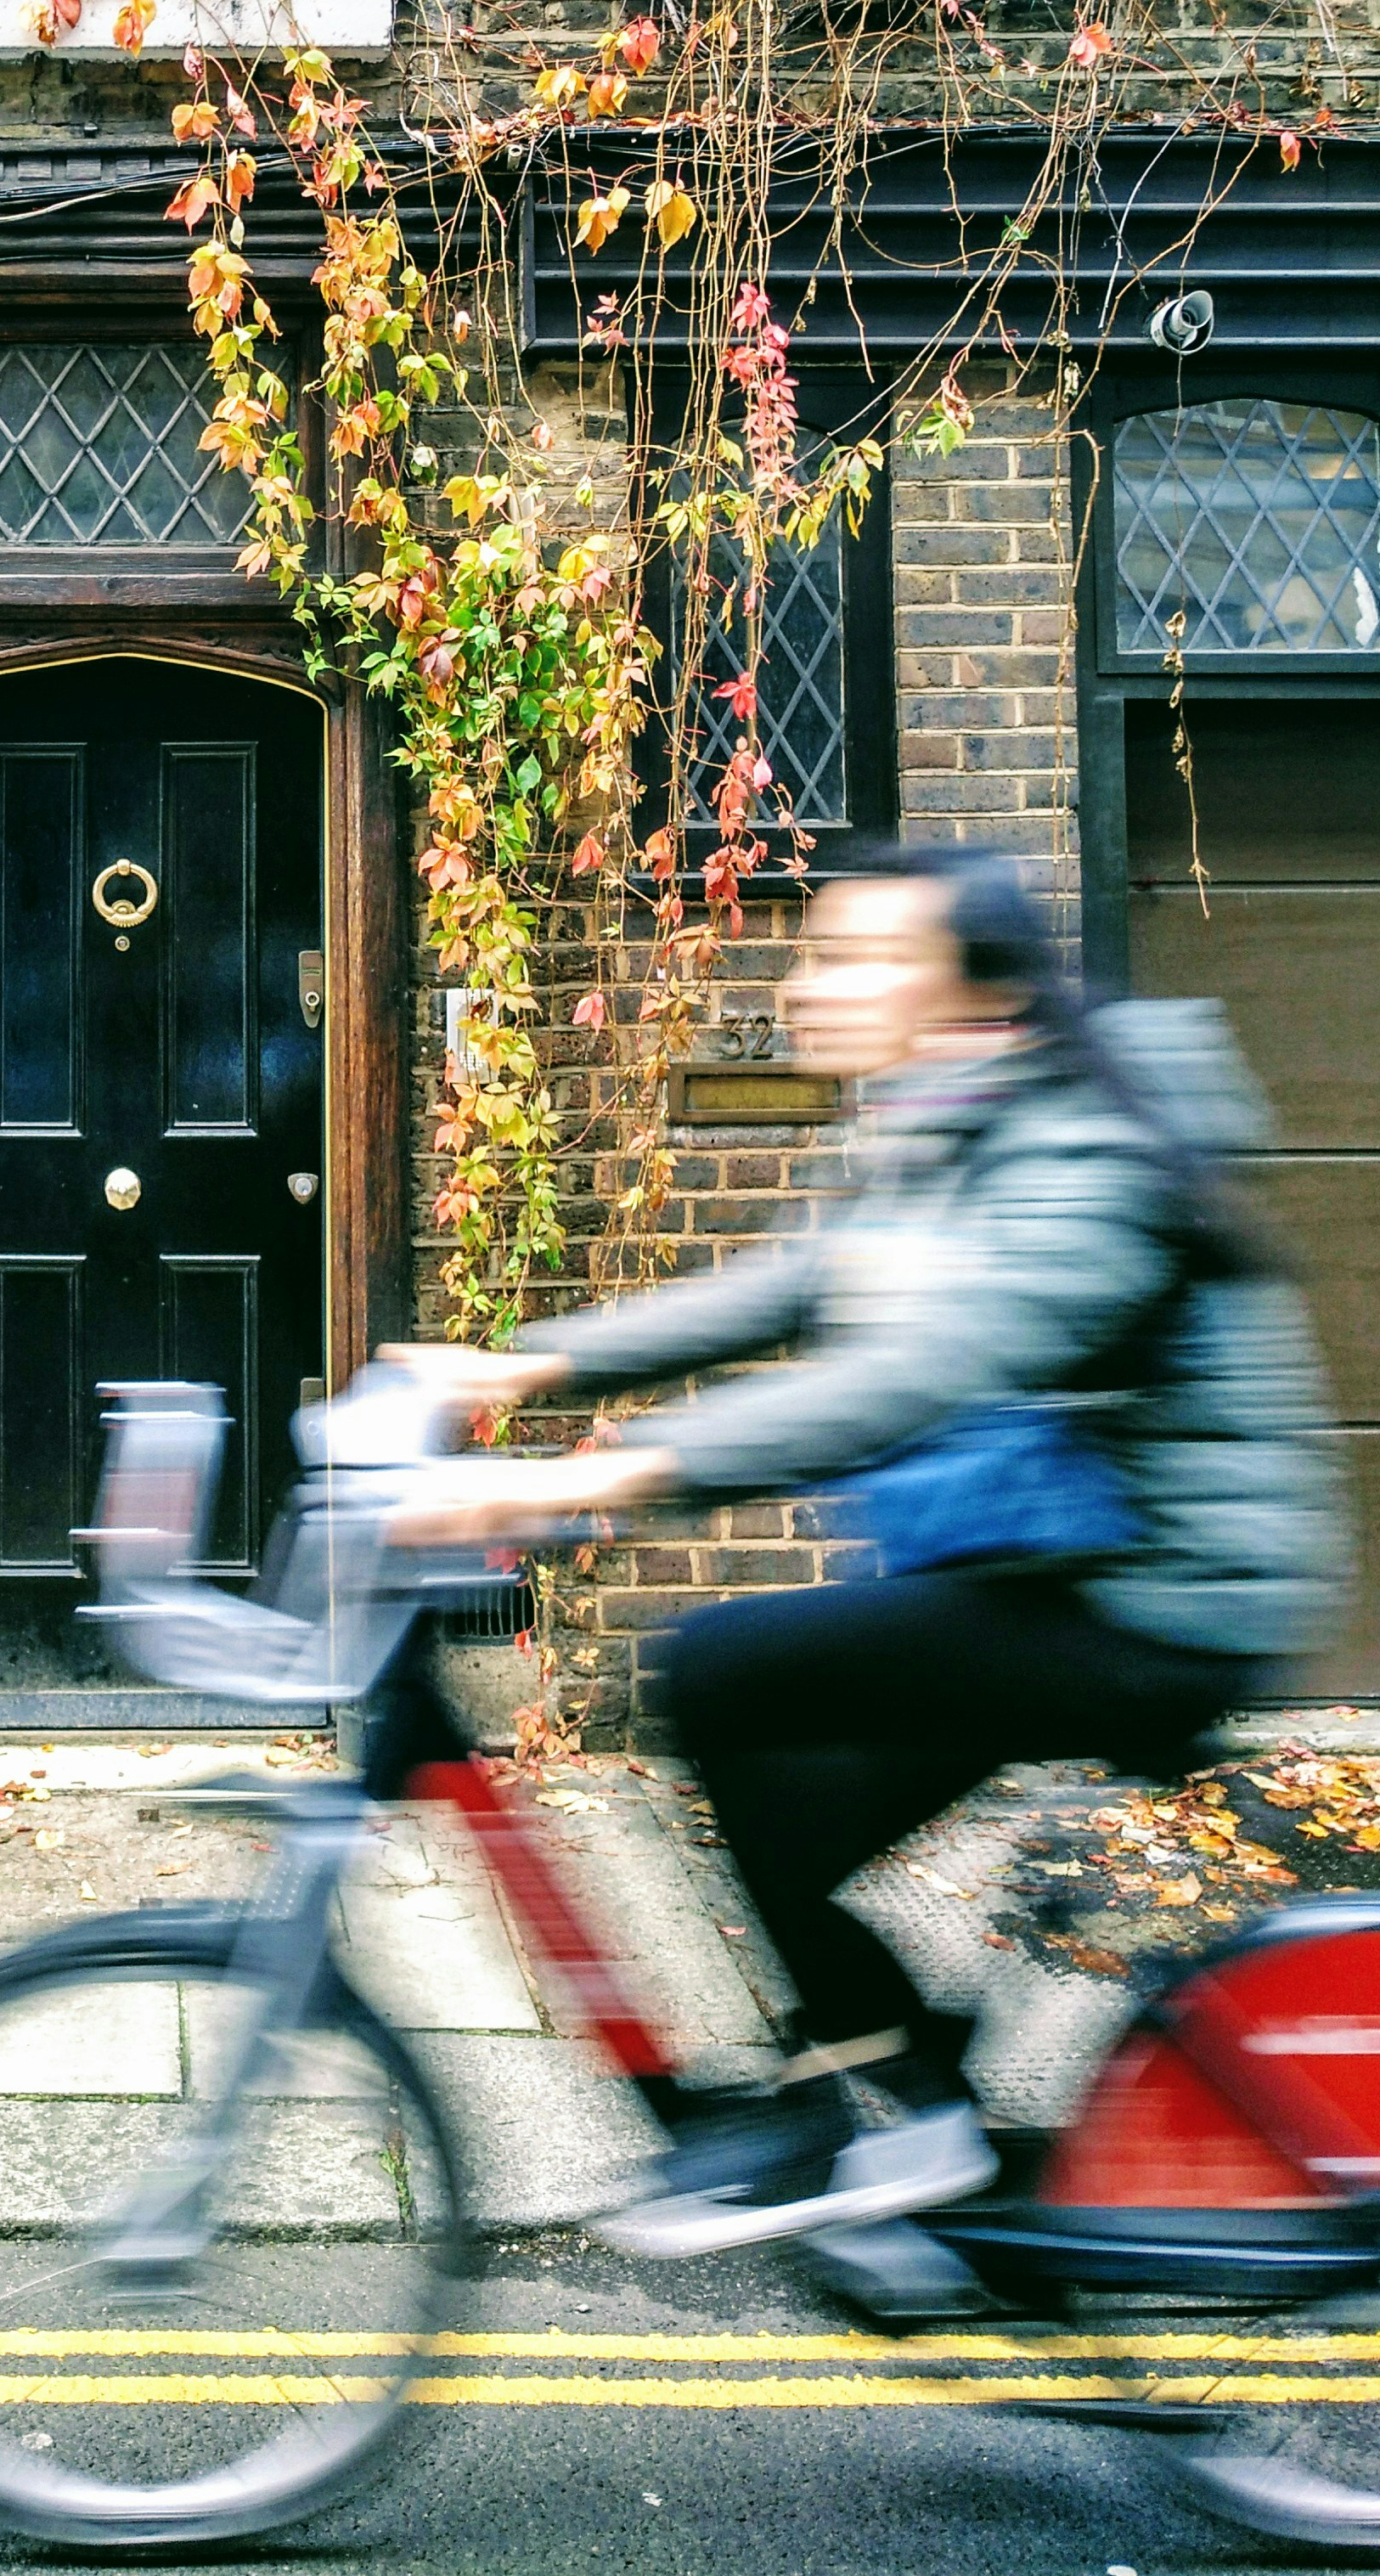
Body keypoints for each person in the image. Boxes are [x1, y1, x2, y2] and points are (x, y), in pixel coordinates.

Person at [385, 848, 1347, 2256]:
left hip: (1166, 1596)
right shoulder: (933, 1124)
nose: (809, 982)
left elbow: (929, 1369)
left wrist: (615, 1475)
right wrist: (521, 1369)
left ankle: (890, 2089)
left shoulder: (1085, 1148)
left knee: (723, 1672)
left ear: (976, 995)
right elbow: (789, 1288)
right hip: (1045, 1568)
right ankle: (928, 2122)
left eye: (857, 958)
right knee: (791, 1790)